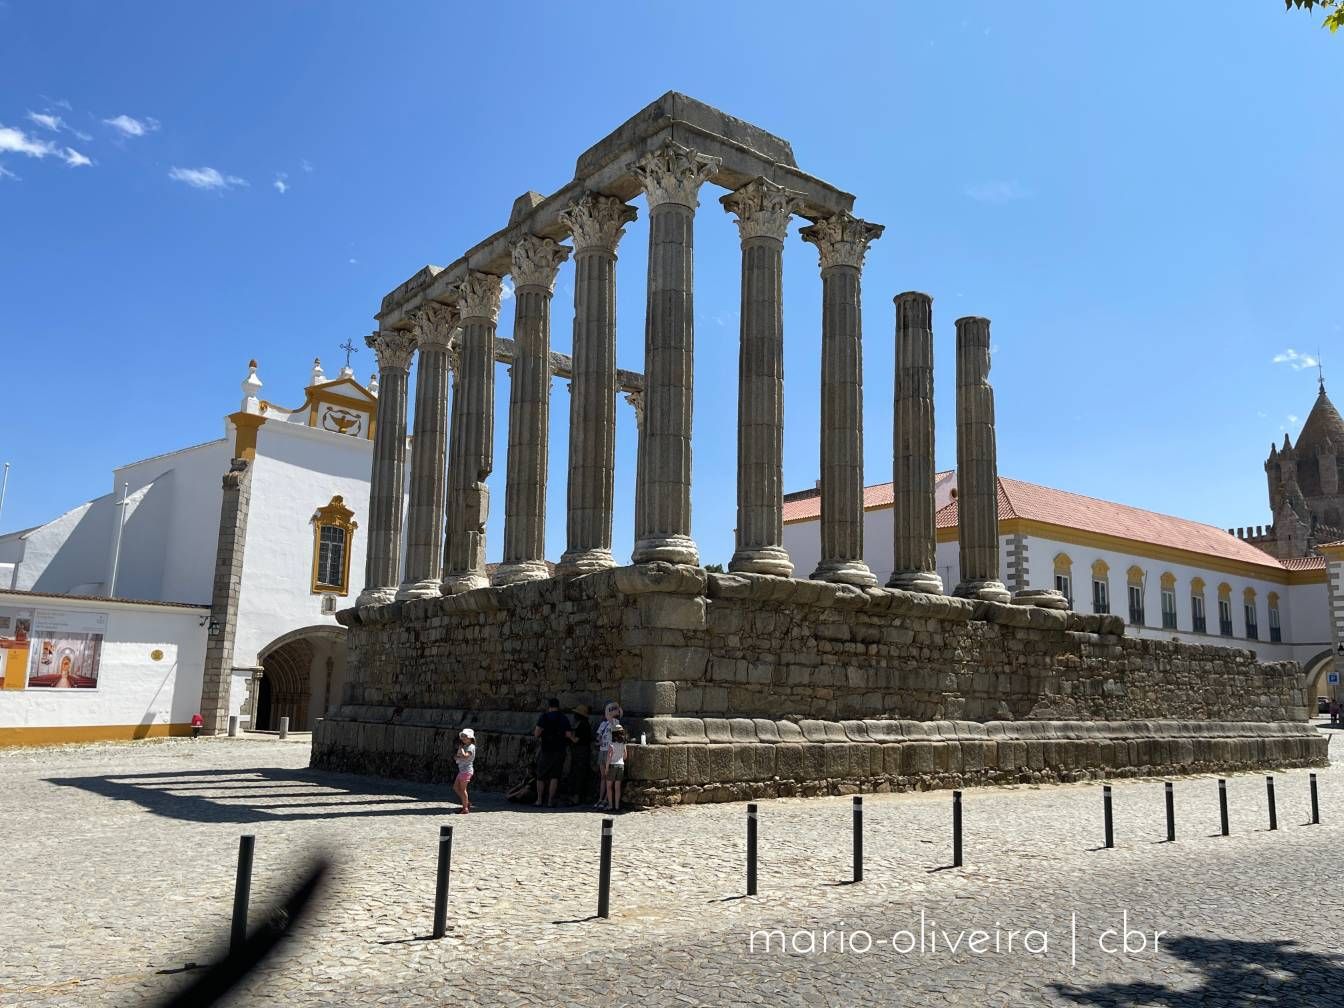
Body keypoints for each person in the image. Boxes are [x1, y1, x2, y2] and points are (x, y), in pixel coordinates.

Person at [533, 698, 574, 808]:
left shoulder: (544, 717)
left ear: (549, 706)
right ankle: (550, 801)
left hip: (546, 749)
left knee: (541, 776)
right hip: (560, 750)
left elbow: (537, 733)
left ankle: (539, 800)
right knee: (554, 776)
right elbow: (568, 734)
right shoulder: (563, 718)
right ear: (558, 706)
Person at [595, 700, 622, 809]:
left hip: (610, 752)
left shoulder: (616, 724)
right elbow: (598, 737)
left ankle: (607, 799)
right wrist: (599, 740)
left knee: (609, 778)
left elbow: (618, 740)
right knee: (603, 777)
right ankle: (600, 799)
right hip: (602, 750)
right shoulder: (603, 724)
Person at [567, 704, 594, 805]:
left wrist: (569, 736)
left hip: (580, 752)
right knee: (579, 773)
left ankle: (576, 797)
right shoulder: (584, 724)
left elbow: (576, 740)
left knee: (579, 774)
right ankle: (578, 796)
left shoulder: (582, 725)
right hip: (581, 752)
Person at [604, 724, 628, 813]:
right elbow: (625, 755)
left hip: (613, 765)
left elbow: (609, 757)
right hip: (621, 765)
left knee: (609, 786)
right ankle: (617, 806)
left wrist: (606, 768)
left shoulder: (611, 744)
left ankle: (610, 805)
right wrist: (620, 759)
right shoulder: (623, 743)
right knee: (617, 787)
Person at [454, 728, 476, 814]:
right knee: (455, 787)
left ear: (470, 737)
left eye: (465, 736)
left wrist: (461, 749)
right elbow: (459, 756)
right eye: (462, 736)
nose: (463, 738)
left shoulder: (471, 747)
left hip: (466, 771)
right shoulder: (465, 746)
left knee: (463, 790)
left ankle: (465, 808)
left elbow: (466, 756)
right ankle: (466, 802)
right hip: (462, 770)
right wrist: (457, 757)